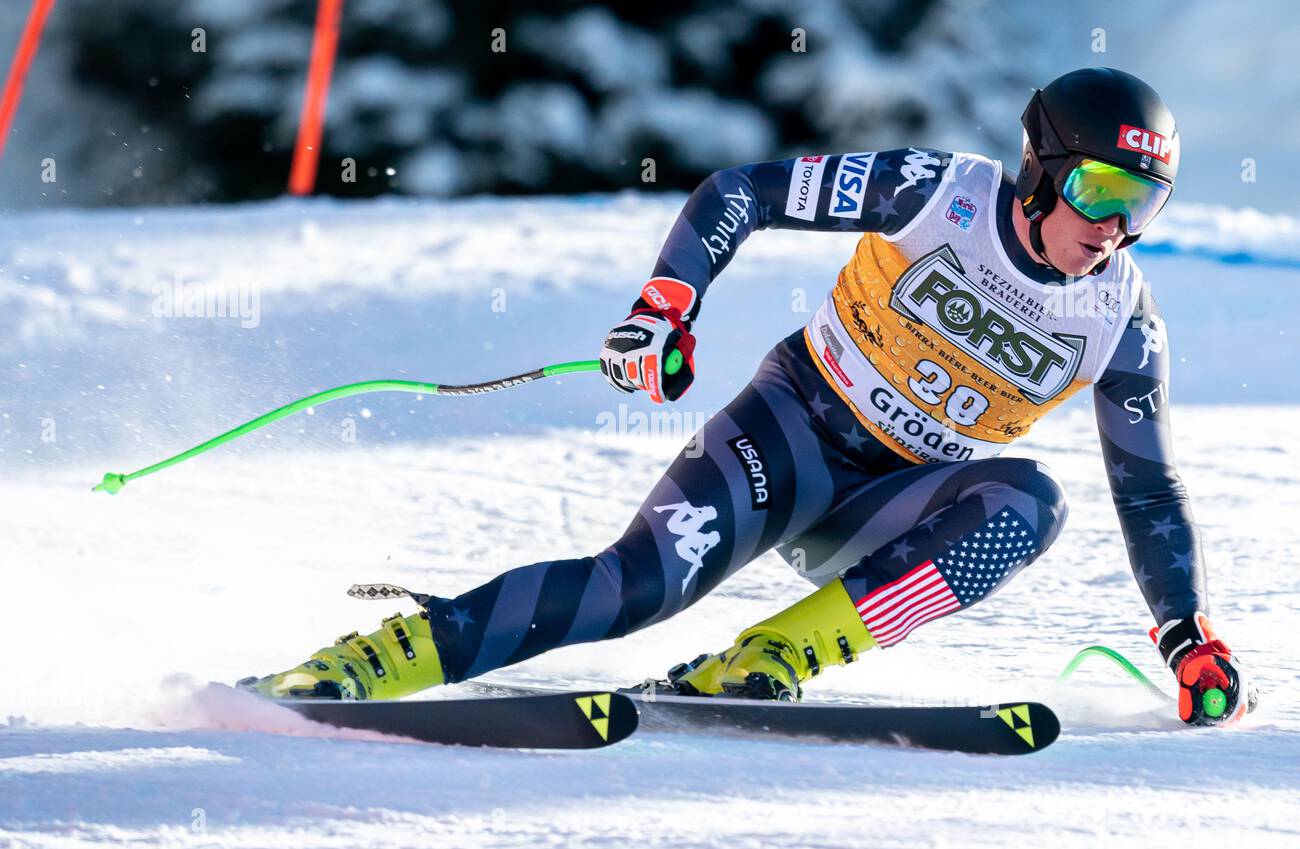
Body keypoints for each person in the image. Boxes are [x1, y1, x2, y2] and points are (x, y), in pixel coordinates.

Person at [244, 68, 1256, 727]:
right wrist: (665, 306)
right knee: (631, 590)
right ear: (1039, 171)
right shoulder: (936, 190)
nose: (1113, 229)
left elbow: (1150, 491)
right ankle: (387, 655)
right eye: (1098, 195)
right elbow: (743, 191)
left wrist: (1184, 632)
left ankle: (777, 651)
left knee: (1030, 503)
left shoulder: (1120, 317)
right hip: (787, 438)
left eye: (1142, 207)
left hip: (885, 509)